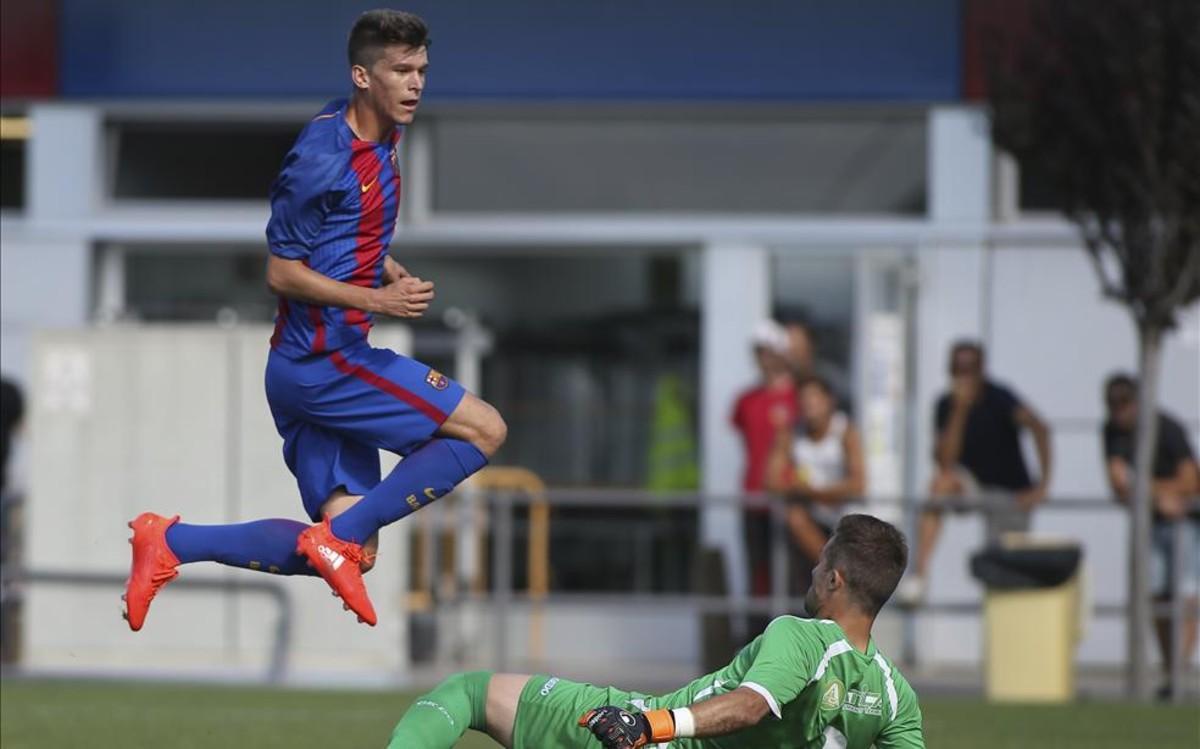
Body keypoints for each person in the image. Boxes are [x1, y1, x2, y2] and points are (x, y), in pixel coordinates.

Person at [122, 10, 506, 630]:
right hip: (328, 365)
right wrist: (379, 302)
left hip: (305, 368)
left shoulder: (379, 132)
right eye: (400, 70)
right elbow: (281, 272)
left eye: (421, 70)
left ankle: (170, 541)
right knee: (484, 430)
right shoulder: (320, 159)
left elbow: (343, 232)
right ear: (362, 76)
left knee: (357, 546)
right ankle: (339, 538)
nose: (415, 83)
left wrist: (385, 268)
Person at [387, 514, 924, 748]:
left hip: (654, 736)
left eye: (821, 561)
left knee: (469, 692)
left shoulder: (802, 636)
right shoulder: (896, 695)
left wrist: (649, 725)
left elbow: (750, 706)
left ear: (834, 579)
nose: (812, 569)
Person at [899, 341, 1051, 604]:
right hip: (971, 486)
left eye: (969, 369)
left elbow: (1039, 428)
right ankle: (919, 576)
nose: (963, 376)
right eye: (957, 369)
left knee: (1006, 570)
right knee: (939, 485)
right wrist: (960, 411)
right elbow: (945, 462)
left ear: (982, 370)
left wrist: (1042, 486)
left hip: (1009, 492)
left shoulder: (1000, 398)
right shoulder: (946, 405)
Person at [1101, 373, 1199, 696]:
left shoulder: (1167, 428)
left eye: (1125, 403)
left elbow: (1191, 482)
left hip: (1186, 523)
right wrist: (1156, 494)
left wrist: (1144, 487)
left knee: (1185, 596)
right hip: (1153, 523)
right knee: (1156, 597)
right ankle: (1171, 672)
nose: (1119, 412)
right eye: (1113, 405)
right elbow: (1118, 486)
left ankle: (1179, 671)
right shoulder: (1113, 432)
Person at [768, 377, 866, 582]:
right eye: (803, 400)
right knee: (794, 516)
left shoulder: (846, 432)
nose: (809, 405)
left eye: (814, 398)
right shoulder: (792, 434)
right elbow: (771, 482)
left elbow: (858, 485)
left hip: (846, 513)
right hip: (813, 517)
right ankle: (832, 571)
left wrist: (814, 492)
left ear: (830, 401)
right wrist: (798, 489)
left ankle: (836, 575)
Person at [731, 320, 798, 613]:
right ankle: (757, 635)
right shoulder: (746, 400)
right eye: (759, 352)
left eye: (768, 351)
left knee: (795, 573)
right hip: (754, 497)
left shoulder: (800, 397)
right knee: (758, 575)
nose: (764, 359)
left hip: (791, 498)